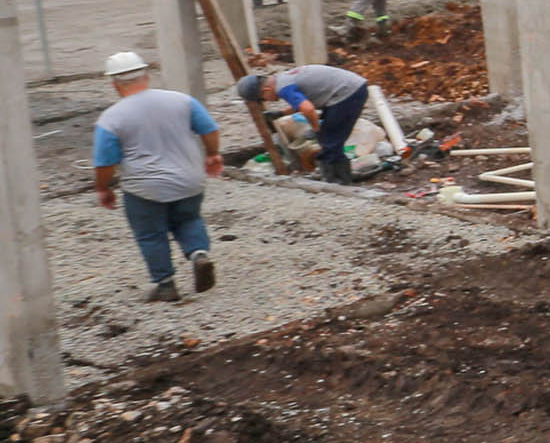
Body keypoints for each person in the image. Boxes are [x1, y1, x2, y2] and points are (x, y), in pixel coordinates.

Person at [91, 51, 221, 304]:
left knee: (151, 234)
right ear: (146, 76)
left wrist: (103, 189)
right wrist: (213, 154)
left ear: (115, 84)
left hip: (145, 188)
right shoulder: (182, 101)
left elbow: (105, 163)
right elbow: (210, 129)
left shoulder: (111, 118)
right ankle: (198, 254)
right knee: (189, 219)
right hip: (189, 180)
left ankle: (165, 285)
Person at [237, 62, 372, 183]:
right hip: (346, 90)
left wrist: (317, 129)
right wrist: (281, 113)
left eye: (263, 99)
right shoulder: (282, 79)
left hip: (348, 93)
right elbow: (303, 102)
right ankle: (341, 177)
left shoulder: (283, 88)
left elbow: (308, 109)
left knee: (330, 142)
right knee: (331, 139)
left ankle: (337, 182)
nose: (267, 101)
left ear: (266, 90)